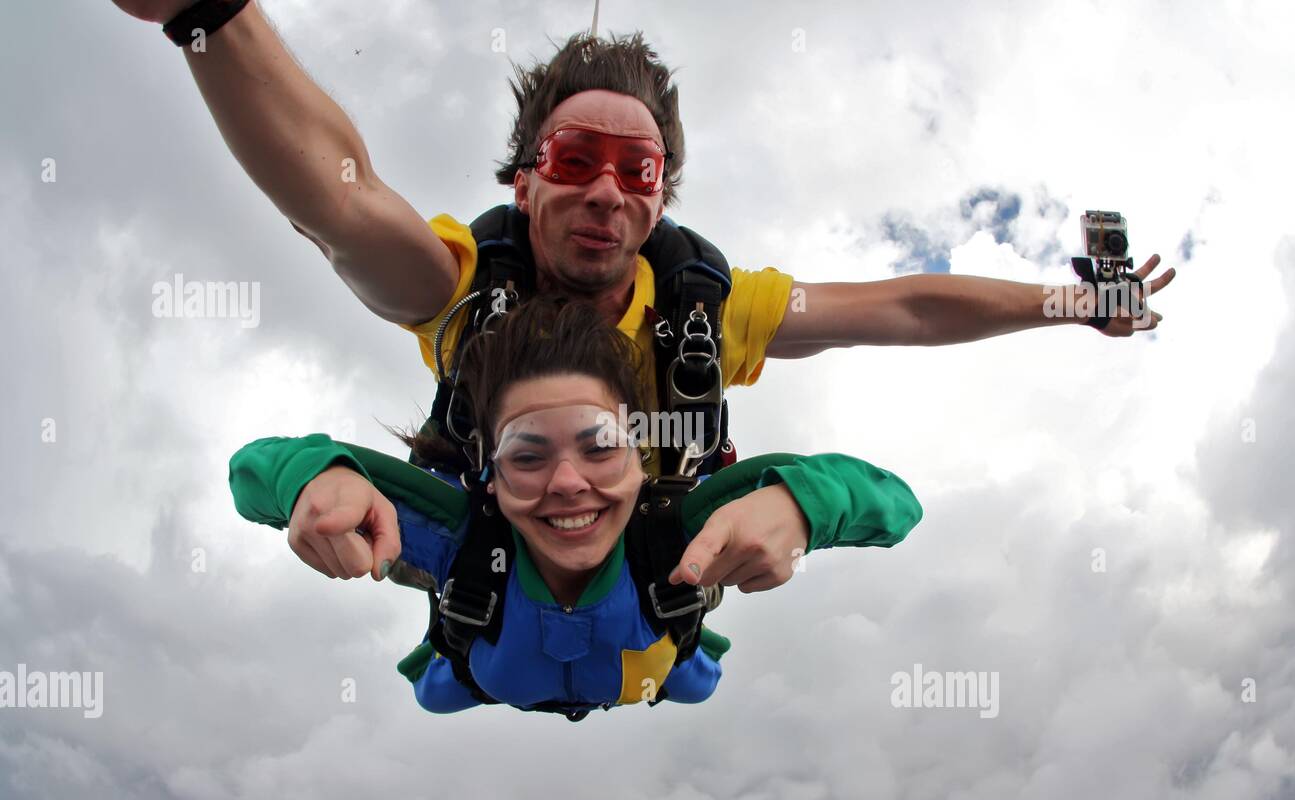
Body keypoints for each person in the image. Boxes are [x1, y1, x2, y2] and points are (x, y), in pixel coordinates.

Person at [113, 0, 1173, 593]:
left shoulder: (705, 306)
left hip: (661, 541)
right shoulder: (463, 286)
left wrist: (1073, 304)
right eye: (574, 158)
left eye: (639, 169)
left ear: (663, 195)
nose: (606, 192)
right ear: (523, 181)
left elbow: (902, 309)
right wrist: (207, 17)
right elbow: (341, 202)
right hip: (500, 538)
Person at [228, 295, 924, 719]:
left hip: (651, 662)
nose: (567, 483)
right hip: (481, 667)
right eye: (528, 456)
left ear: (640, 462)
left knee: (695, 682)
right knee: (436, 693)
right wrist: (312, 480)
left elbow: (897, 503)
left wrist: (805, 504)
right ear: (490, 479)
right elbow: (250, 471)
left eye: (600, 448)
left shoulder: (682, 535)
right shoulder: (461, 537)